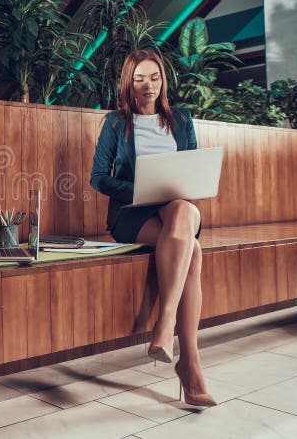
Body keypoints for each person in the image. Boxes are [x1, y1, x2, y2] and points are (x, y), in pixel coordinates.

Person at [90, 49, 216, 407]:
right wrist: (140, 188)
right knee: (192, 249)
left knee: (183, 211)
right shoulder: (116, 123)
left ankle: (166, 325)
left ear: (163, 80)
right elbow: (98, 178)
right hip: (132, 214)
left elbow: (193, 168)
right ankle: (190, 365)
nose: (148, 85)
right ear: (129, 83)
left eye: (154, 77)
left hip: (177, 209)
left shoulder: (182, 119)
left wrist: (178, 189)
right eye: (140, 78)